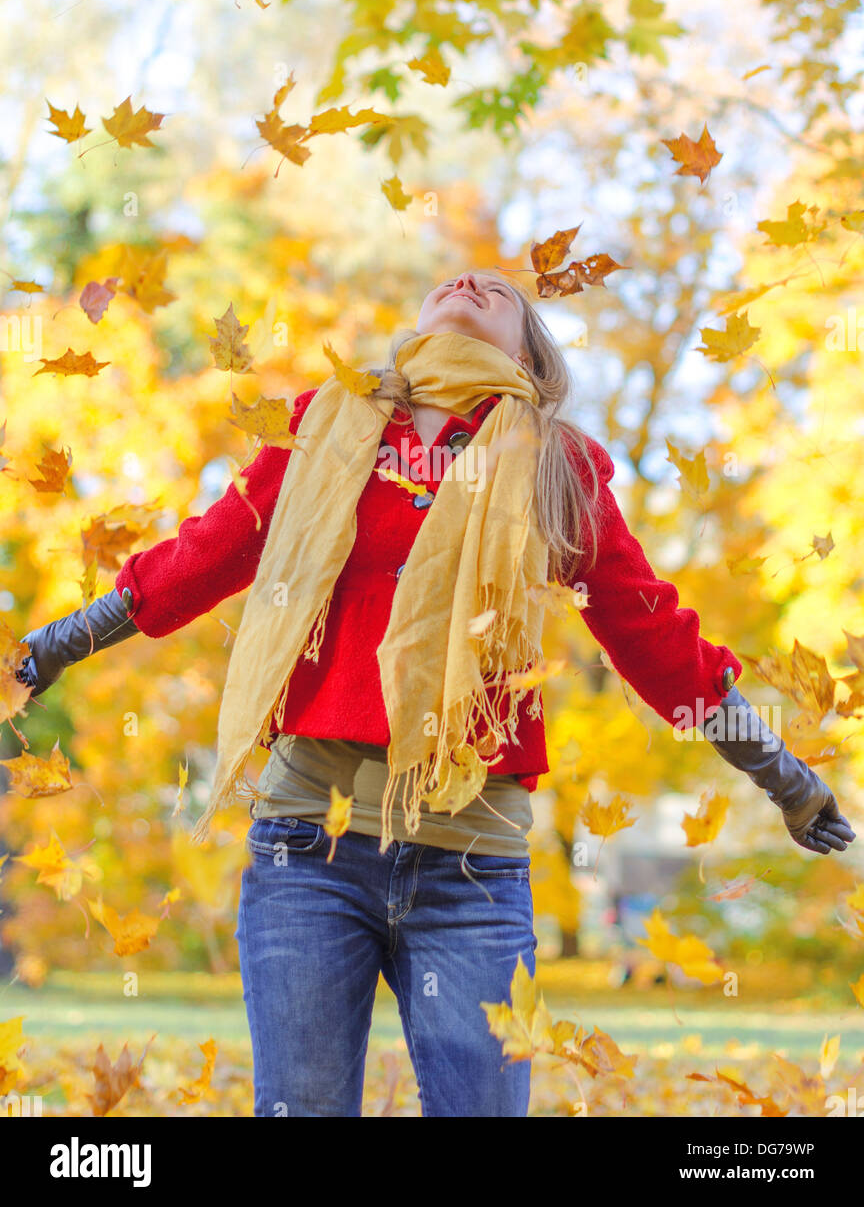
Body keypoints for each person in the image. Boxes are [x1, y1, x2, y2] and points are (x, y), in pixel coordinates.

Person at [15, 270, 855, 1118]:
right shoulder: (326, 424)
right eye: (455, 280)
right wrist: (53, 644)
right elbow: (205, 554)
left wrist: (783, 775)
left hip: (471, 868)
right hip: (309, 850)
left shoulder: (557, 468)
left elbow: (654, 636)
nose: (471, 281)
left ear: (529, 354)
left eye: (499, 290)